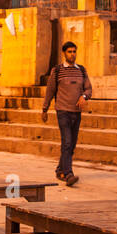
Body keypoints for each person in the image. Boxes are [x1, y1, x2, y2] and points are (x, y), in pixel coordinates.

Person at [40, 41, 92, 186]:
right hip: (62, 111)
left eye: (74, 51)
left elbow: (88, 89)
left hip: (77, 112)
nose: (72, 54)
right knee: (67, 142)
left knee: (72, 143)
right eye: (69, 52)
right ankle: (68, 174)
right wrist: (45, 109)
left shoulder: (81, 70)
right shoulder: (57, 71)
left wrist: (84, 97)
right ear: (64, 53)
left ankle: (60, 169)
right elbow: (50, 91)